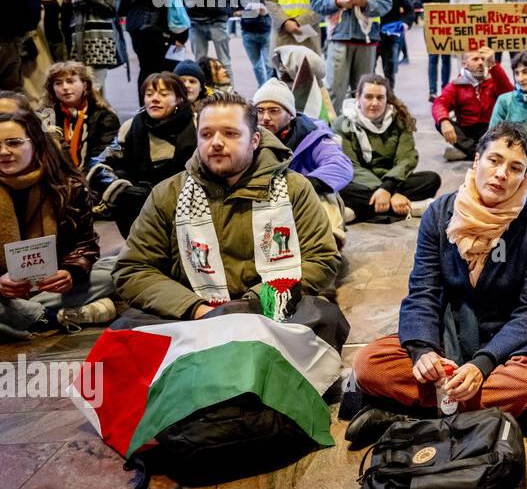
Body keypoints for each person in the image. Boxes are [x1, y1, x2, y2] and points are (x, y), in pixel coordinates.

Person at [346, 123, 527, 442]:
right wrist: (423, 351)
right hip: (448, 333)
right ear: (477, 161)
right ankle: (498, 409)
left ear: (524, 178)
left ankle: (419, 414)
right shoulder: (439, 214)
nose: (501, 173)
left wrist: (482, 364)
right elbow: (423, 292)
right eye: (494, 160)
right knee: (369, 364)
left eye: (515, 167)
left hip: (505, 343)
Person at [110, 91, 348, 349]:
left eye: (230, 133)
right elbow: (134, 269)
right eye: (206, 134)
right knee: (122, 336)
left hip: (272, 309)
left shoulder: (293, 188)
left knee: (325, 319)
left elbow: (321, 260)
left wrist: (254, 303)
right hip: (195, 314)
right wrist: (196, 309)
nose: (216, 143)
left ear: (254, 139)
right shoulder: (169, 194)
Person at [0, 110, 115, 341]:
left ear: (37, 143)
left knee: (117, 270)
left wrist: (70, 272)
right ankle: (57, 317)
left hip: (52, 287)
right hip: (6, 292)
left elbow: (85, 244)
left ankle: (20, 317)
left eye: (14, 143)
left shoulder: (68, 187)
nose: (3, 152)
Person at [88, 72, 197, 239]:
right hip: (140, 213)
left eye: (163, 94)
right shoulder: (131, 127)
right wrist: (120, 188)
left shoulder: (197, 126)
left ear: (179, 99)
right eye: (149, 94)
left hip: (189, 209)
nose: (154, 99)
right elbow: (100, 164)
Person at [252, 79, 353, 247]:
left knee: (327, 196)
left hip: (301, 200)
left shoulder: (312, 135)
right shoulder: (247, 136)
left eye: (274, 111)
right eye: (260, 111)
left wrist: (297, 187)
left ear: (290, 114)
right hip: (262, 201)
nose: (265, 118)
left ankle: (327, 246)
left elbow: (341, 166)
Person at [335, 73, 440, 224]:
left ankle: (359, 211)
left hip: (393, 180)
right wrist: (384, 191)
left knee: (431, 179)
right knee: (339, 187)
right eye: (368, 97)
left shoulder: (400, 119)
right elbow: (352, 166)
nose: (374, 103)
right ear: (358, 97)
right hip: (361, 183)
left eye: (380, 97)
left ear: (387, 99)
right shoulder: (343, 124)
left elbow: (406, 158)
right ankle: (411, 207)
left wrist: (388, 188)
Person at [310, 0, 389, 111]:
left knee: (363, 89)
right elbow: (315, 2)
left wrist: (366, 5)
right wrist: (336, 3)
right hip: (339, 38)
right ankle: (331, 129)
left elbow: (386, 3)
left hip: (366, 40)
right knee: (334, 89)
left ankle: (361, 126)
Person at [433, 47, 514, 161]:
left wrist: (493, 65)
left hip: (489, 128)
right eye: (475, 59)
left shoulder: (493, 80)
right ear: (464, 64)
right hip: (467, 131)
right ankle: (482, 153)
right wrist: (444, 120)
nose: (481, 62)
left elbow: (510, 95)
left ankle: (470, 153)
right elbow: (439, 103)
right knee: (440, 122)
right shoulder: (456, 85)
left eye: (482, 59)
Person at [115, 0, 175, 100]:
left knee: (154, 69)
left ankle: (151, 103)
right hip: (147, 29)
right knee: (150, 70)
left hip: (148, 29)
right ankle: (147, 105)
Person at [42, 61, 120, 172]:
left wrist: (81, 178)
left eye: (70, 81)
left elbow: (103, 156)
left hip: (92, 177)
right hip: (53, 177)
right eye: (58, 83)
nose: (65, 87)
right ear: (52, 89)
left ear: (85, 85)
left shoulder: (105, 117)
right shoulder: (46, 116)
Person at [64, 0, 122, 94]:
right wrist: (66, 2)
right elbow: (66, 20)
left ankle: (99, 115)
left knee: (93, 90)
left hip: (99, 46)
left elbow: (110, 11)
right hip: (78, 47)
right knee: (86, 90)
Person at [410, 0, 457, 99]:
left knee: (446, 57)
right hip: (431, 23)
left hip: (448, 21)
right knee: (433, 57)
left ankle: (445, 88)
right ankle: (432, 90)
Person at [232, 0, 273, 88]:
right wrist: (243, 12)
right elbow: (233, 10)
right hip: (248, 32)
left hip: (266, 29)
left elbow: (274, 6)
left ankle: (272, 88)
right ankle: (262, 88)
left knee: (269, 63)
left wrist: (265, 10)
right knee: (257, 66)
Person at [373, 0, 414, 86]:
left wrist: (405, 23)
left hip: (390, 38)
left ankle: (389, 98)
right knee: (367, 70)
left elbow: (409, 10)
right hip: (370, 37)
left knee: (389, 71)